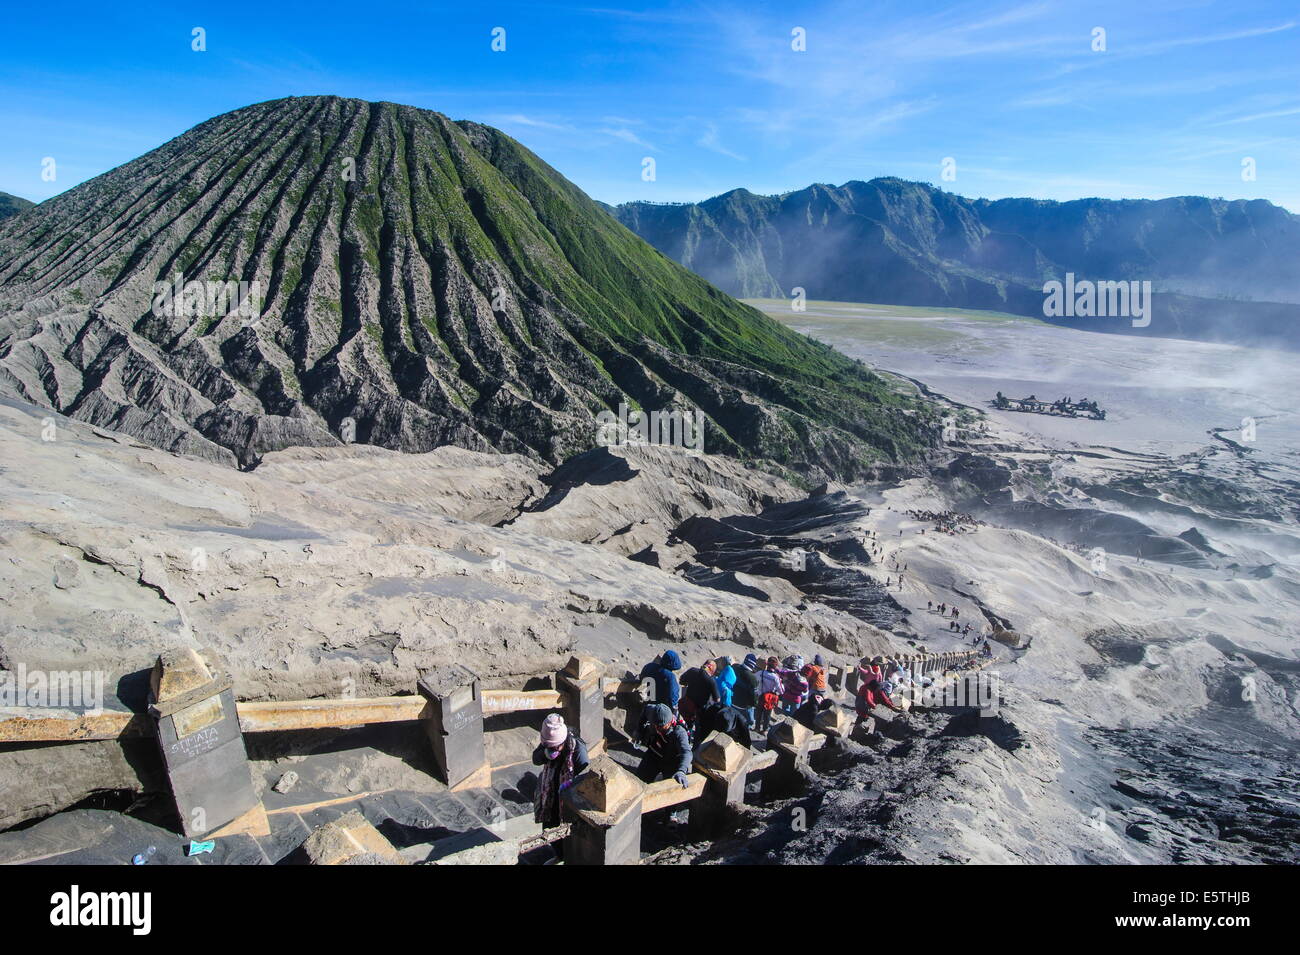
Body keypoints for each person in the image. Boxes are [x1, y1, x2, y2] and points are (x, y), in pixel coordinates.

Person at [532, 713, 589, 829]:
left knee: (564, 832)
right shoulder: (548, 743)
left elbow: (585, 776)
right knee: (549, 827)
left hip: (568, 799)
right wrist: (544, 754)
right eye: (549, 747)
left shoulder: (577, 749)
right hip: (550, 796)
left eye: (556, 747)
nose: (553, 749)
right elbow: (535, 759)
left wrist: (570, 785)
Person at [636, 702, 691, 786]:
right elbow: (645, 709)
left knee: (671, 785)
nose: (657, 729)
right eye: (655, 725)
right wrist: (640, 731)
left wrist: (681, 771)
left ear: (669, 723)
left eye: (661, 727)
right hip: (655, 751)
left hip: (672, 759)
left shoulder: (679, 732)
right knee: (638, 779)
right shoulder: (653, 712)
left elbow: (686, 752)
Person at [679, 659, 720, 738]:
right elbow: (717, 699)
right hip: (697, 712)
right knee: (698, 731)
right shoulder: (711, 681)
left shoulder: (693, 670)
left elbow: (681, 681)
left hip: (685, 704)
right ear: (712, 671)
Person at [731, 654, 761, 725]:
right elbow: (754, 696)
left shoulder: (735, 667)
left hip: (731, 700)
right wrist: (755, 704)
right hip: (743, 706)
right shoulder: (753, 678)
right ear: (753, 665)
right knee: (749, 722)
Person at [756, 657, 782, 733]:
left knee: (759, 713)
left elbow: (754, 678)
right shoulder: (776, 677)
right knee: (767, 715)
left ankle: (757, 728)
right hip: (770, 698)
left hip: (761, 695)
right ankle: (764, 730)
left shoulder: (761, 673)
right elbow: (781, 691)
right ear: (775, 666)